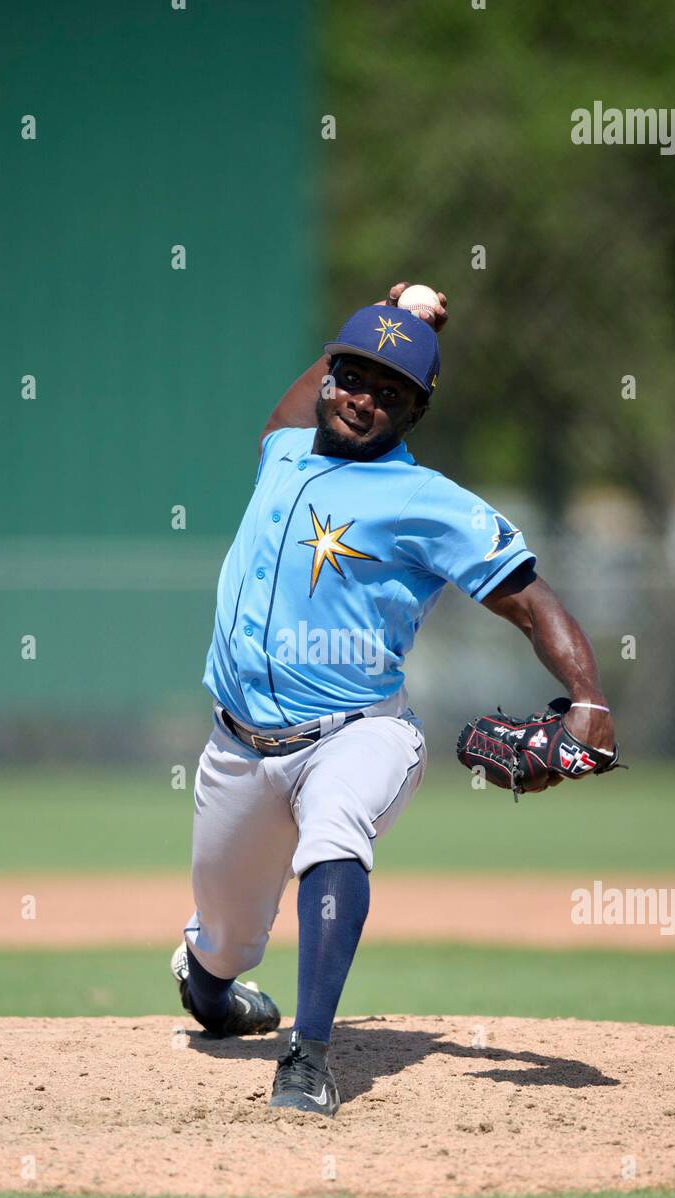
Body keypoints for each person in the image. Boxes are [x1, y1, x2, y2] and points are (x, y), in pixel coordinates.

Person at [171, 282, 615, 1116]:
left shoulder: (426, 501)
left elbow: (531, 599)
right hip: (236, 748)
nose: (363, 399)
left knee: (336, 829)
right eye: (352, 376)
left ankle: (308, 1056)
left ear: (413, 413)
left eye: (391, 391)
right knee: (220, 959)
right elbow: (287, 409)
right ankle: (210, 981)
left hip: (356, 733)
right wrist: (392, 312)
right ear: (329, 374)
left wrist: (587, 700)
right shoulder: (285, 451)